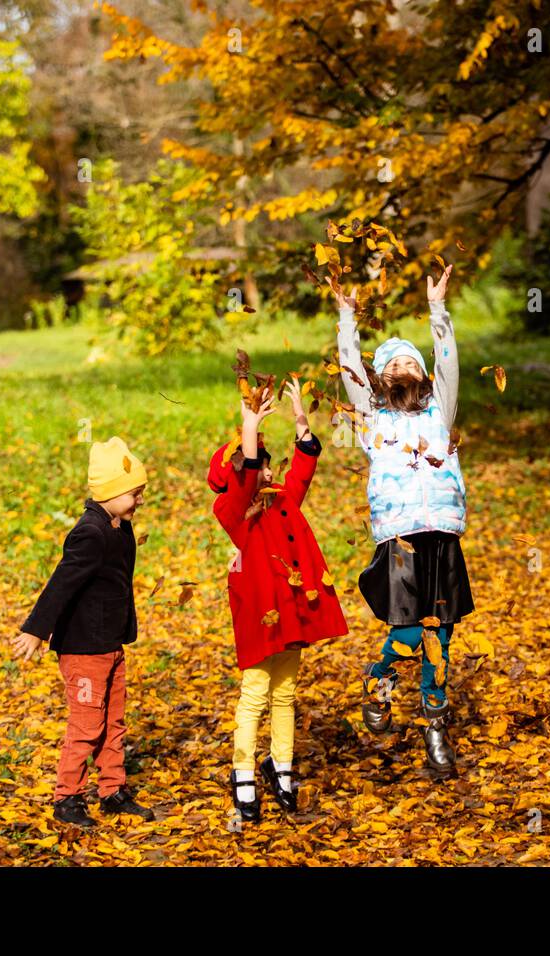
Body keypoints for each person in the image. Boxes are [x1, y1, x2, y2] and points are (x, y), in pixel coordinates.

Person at [333, 265, 474, 778]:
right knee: (410, 635)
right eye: (390, 369)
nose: (401, 373)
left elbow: (448, 363)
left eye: (410, 366)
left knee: (442, 638)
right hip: (400, 541)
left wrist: (438, 311)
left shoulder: (441, 412)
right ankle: (380, 683)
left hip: (443, 538)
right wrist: (347, 318)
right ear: (381, 381)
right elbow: (350, 369)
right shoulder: (374, 419)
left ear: (422, 376)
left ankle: (435, 729)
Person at [209, 379, 347, 821]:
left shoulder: (283, 499)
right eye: (260, 468)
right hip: (259, 616)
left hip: (292, 614)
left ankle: (282, 765)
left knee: (285, 693)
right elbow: (244, 476)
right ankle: (243, 771)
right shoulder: (233, 511)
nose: (267, 474)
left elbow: (303, 470)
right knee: (254, 694)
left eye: (269, 467)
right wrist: (249, 425)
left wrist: (302, 423)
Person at [12, 436, 156, 826]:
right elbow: (63, 582)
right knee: (87, 725)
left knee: (114, 722)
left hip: (110, 644)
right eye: (135, 493)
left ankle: (112, 790)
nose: (141, 500)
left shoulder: (119, 526)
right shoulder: (89, 533)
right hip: (83, 649)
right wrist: (36, 631)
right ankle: (67, 798)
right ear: (110, 491)